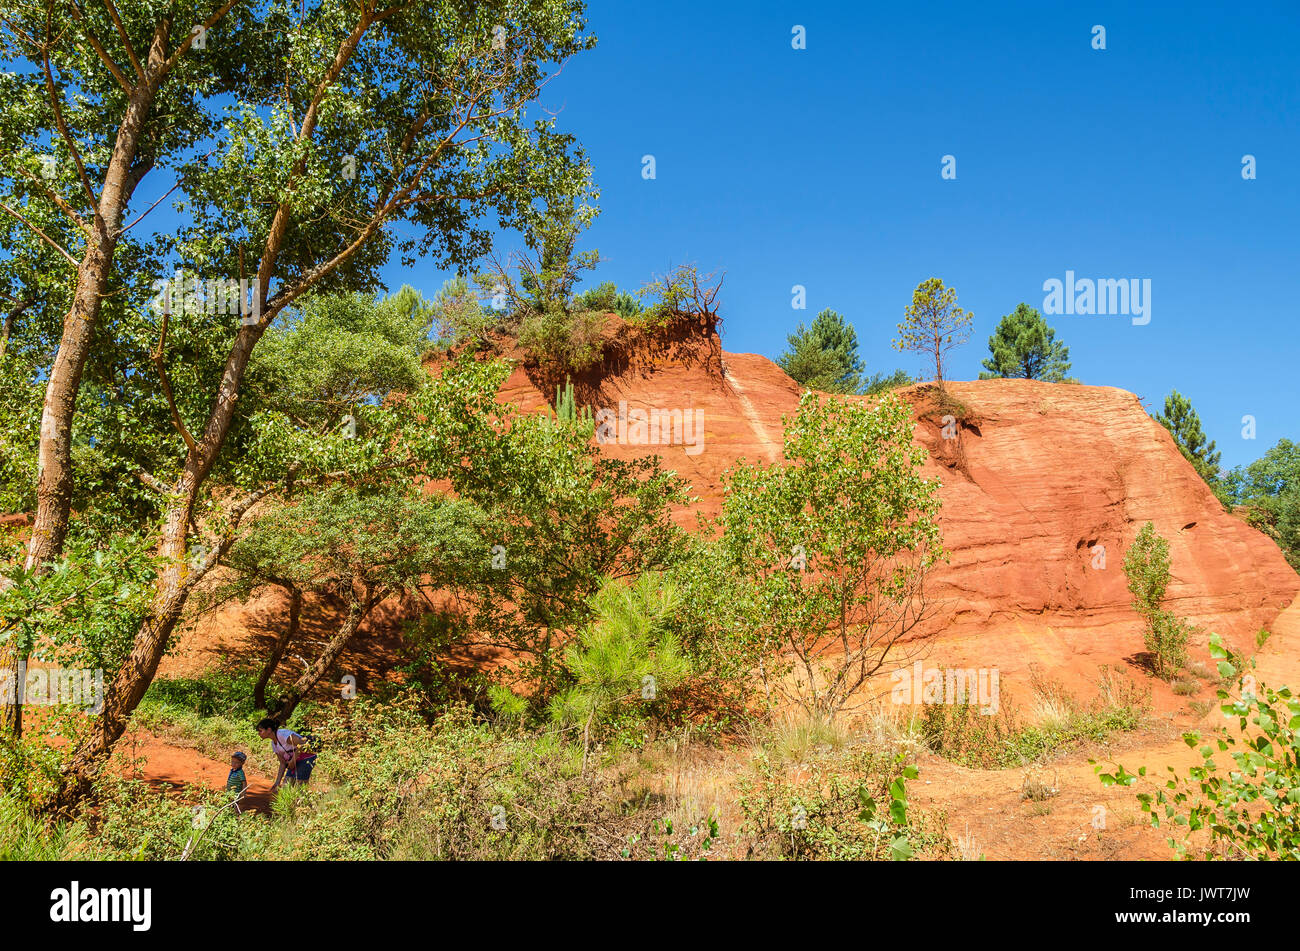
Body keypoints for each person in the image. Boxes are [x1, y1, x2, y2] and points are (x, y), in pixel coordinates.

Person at [256, 717, 316, 790]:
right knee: (285, 788)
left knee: (299, 788)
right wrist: (277, 782)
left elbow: (303, 744)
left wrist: (293, 760)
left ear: (269, 730)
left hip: (306, 758)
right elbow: (282, 763)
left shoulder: (282, 734)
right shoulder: (273, 744)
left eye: (260, 731)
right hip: (294, 761)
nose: (259, 734)